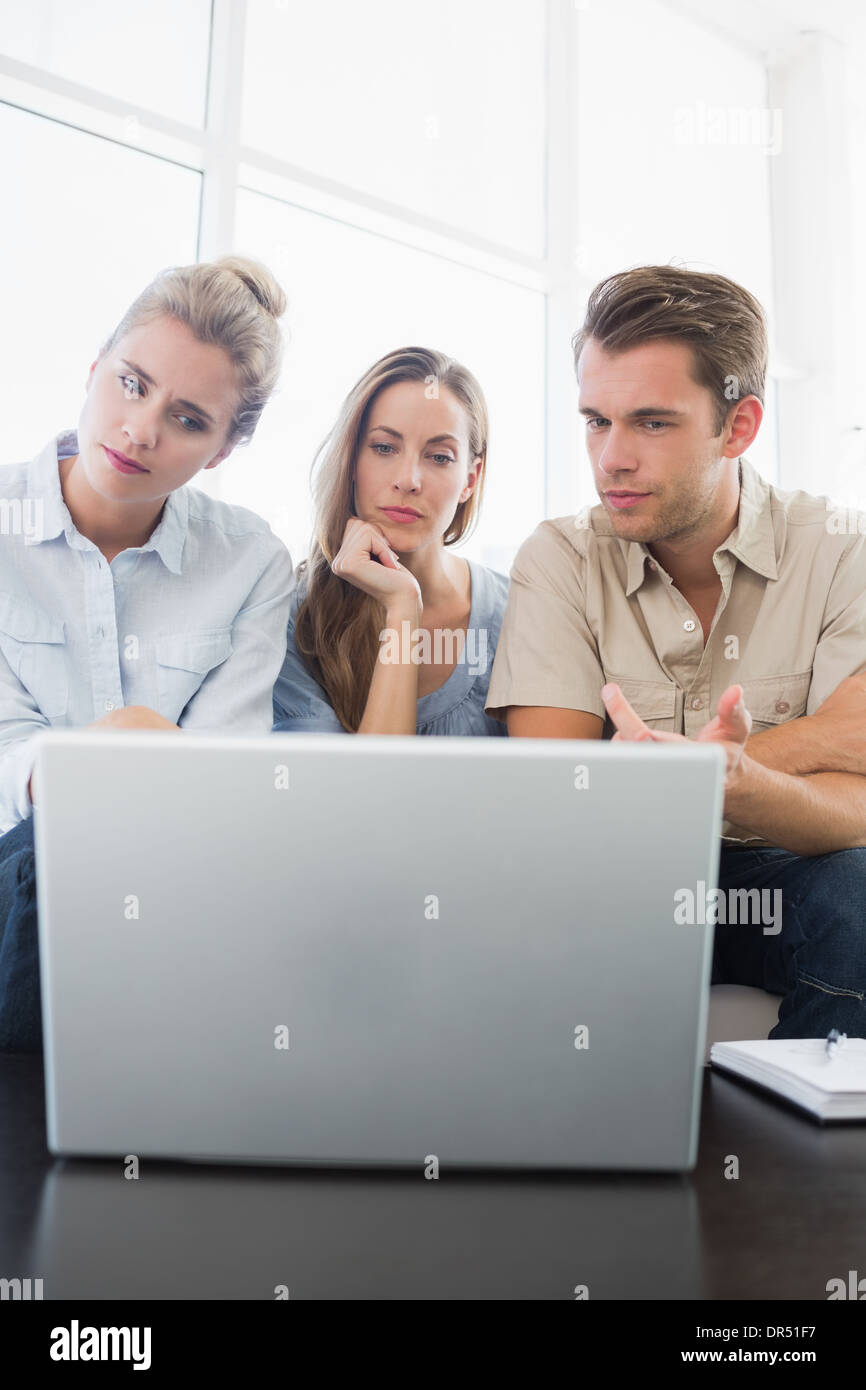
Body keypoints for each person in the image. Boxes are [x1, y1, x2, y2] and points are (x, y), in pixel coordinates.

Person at [486, 264, 866, 1040]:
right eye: (597, 420)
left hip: (786, 869)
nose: (612, 459)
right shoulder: (559, 558)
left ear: (740, 426)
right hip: (618, 880)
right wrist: (784, 752)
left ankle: (805, 1154)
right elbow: (567, 806)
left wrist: (720, 778)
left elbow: (858, 808)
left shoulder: (841, 553)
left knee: (859, 893)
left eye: (651, 423)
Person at [0, 254, 294, 1049]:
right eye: (131, 383)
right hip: (18, 866)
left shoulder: (252, 563)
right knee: (49, 853)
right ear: (96, 367)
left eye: (189, 419)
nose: (141, 430)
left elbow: (227, 776)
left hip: (176, 880)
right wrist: (86, 762)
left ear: (223, 450)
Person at [273, 346, 508, 736]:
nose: (408, 479)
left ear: (471, 479)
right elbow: (370, 792)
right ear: (351, 460)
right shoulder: (293, 618)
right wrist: (402, 607)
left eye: (439, 457)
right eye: (384, 448)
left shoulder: (519, 614)